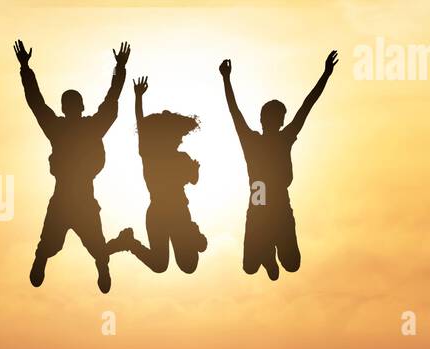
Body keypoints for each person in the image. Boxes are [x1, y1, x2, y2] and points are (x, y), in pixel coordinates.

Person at [15, 39, 129, 293]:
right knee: (57, 243)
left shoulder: (64, 129)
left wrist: (25, 68)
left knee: (90, 244)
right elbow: (111, 102)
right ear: (77, 107)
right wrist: (119, 69)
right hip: (69, 197)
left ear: (67, 108)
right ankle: (52, 260)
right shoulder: (82, 128)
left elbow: (37, 103)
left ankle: (95, 265)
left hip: (73, 197)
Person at [220, 51, 337, 280]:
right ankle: (266, 256)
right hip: (262, 204)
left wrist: (326, 75)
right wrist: (226, 79)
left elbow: (306, 106)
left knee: (291, 265)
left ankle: (267, 254)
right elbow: (306, 106)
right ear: (272, 120)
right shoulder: (260, 140)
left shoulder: (269, 139)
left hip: (270, 205)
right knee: (251, 267)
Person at [108, 76, 206, 274]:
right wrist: (138, 98)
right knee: (160, 265)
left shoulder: (179, 157)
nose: (180, 140)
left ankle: (191, 231)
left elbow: (193, 180)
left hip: (179, 212)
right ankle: (129, 243)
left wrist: (194, 171)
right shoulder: (150, 155)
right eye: (177, 136)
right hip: (159, 213)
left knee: (189, 266)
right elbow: (142, 126)